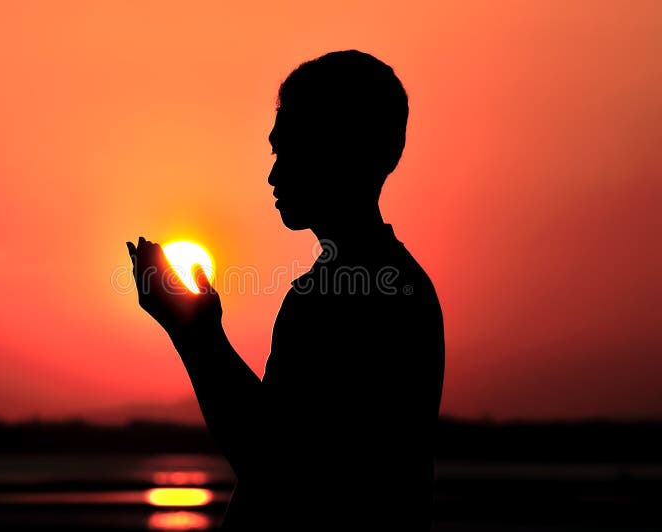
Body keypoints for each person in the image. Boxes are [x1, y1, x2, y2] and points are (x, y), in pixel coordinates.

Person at [127, 50, 445, 531]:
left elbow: (276, 466)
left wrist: (195, 335)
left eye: (287, 150)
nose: (273, 175)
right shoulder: (386, 284)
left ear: (339, 149)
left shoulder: (353, 296)